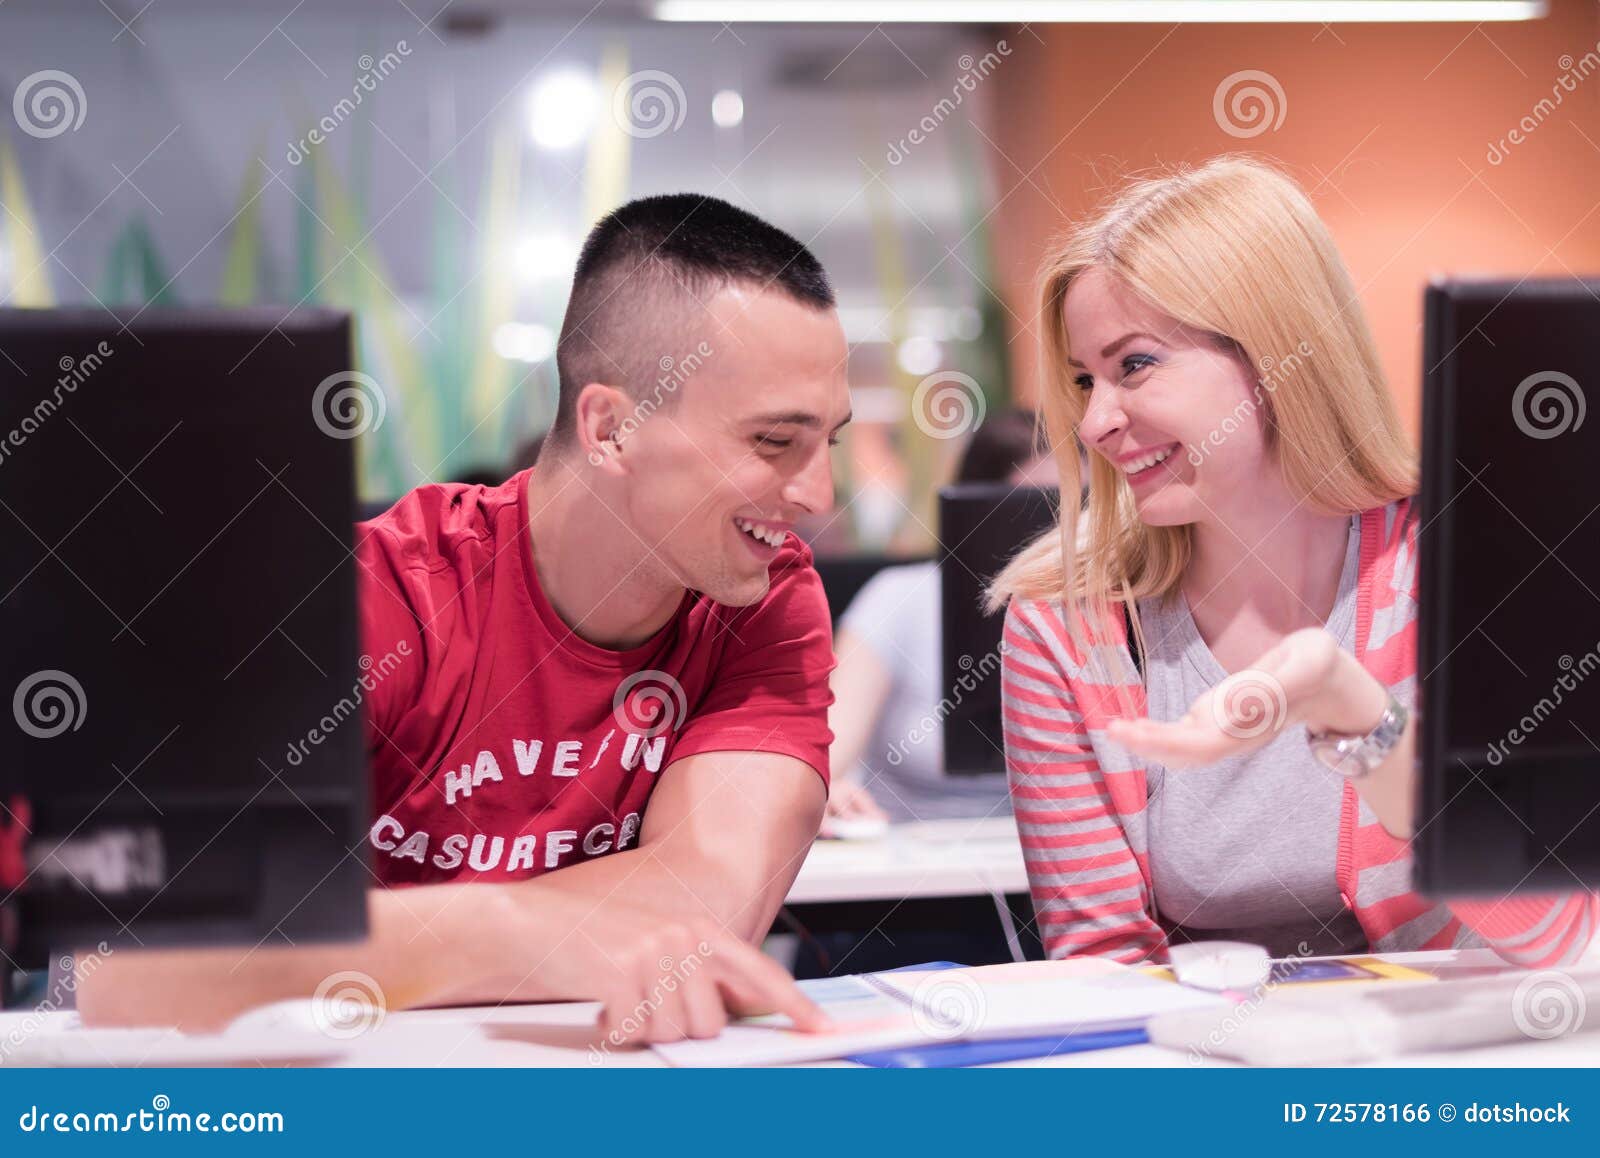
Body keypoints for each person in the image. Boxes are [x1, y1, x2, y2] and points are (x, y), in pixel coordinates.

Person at [77, 193, 854, 1042]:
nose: (818, 495)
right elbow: (138, 967)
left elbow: (707, 908)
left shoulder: (766, 599)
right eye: (776, 444)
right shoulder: (373, 593)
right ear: (612, 425)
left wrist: (388, 940)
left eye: (832, 443)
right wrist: (506, 930)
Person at [988, 156, 1596, 967]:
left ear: (1277, 356)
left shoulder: (1471, 569)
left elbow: (1557, 938)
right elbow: (1104, 969)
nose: (1095, 421)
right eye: (1081, 379)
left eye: (1134, 364)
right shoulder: (1066, 621)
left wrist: (1353, 712)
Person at [824, 409, 1059, 830]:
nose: (1052, 539)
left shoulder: (1116, 607)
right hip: (911, 862)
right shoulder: (897, 597)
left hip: (1058, 859)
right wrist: (822, 788)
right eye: (1027, 514)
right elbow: (830, 751)